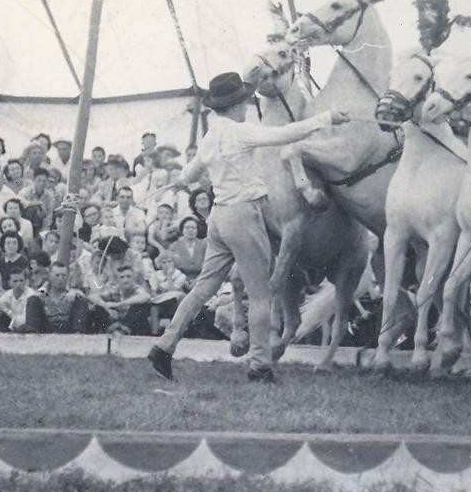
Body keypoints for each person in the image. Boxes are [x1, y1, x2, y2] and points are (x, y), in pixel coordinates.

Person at [147, 71, 347, 382]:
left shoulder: (211, 137)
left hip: (219, 218)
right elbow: (284, 134)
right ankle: (260, 365)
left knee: (203, 288)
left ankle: (164, 346)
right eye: (243, 102)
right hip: (244, 216)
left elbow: (191, 171)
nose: (246, 107)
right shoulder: (239, 132)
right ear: (235, 105)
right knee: (260, 294)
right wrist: (327, 118)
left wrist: (180, 179)